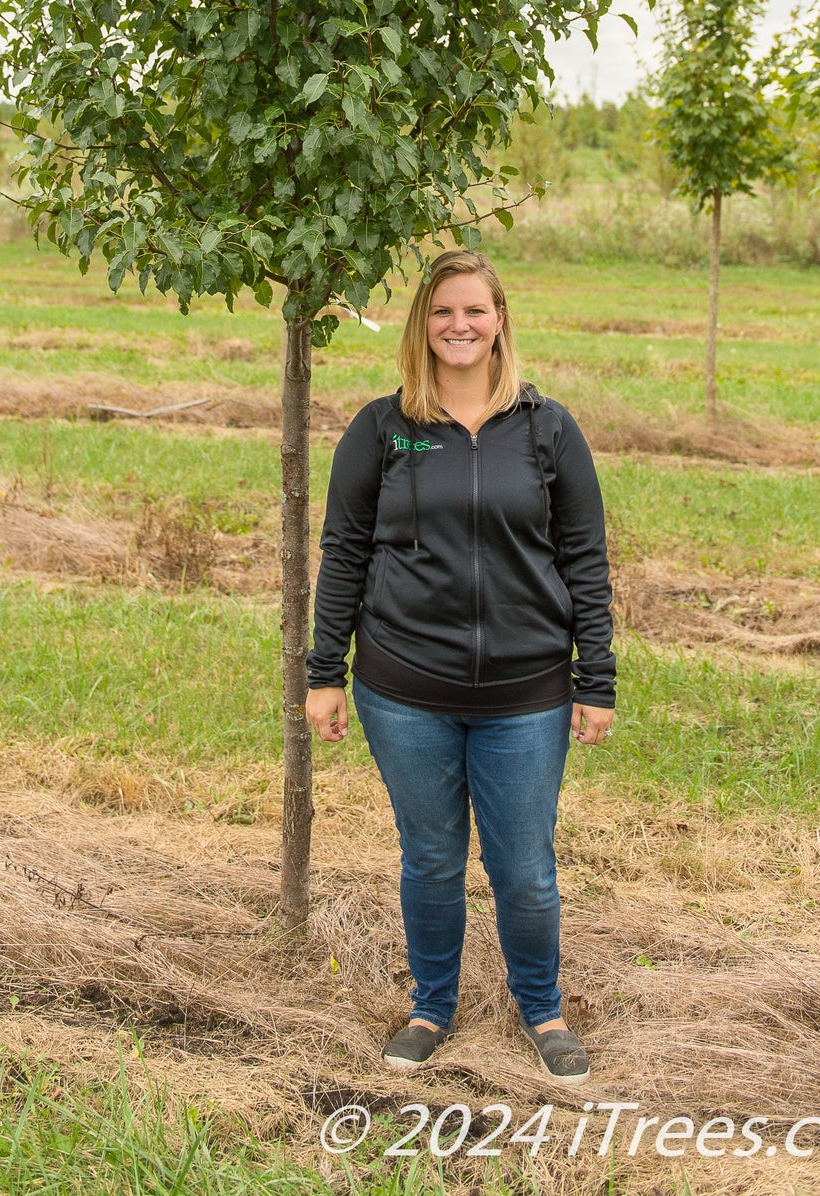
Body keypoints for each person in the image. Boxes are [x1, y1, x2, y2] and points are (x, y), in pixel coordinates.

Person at [305, 250, 615, 1081]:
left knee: (524, 866)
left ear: (500, 320)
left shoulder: (548, 430)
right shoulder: (382, 427)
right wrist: (323, 671)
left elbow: (585, 557)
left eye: (475, 310)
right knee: (432, 857)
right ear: (422, 325)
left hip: (527, 693)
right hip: (404, 689)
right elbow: (342, 554)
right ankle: (431, 1005)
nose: (460, 326)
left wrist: (597, 680)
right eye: (443, 312)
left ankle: (542, 1009)